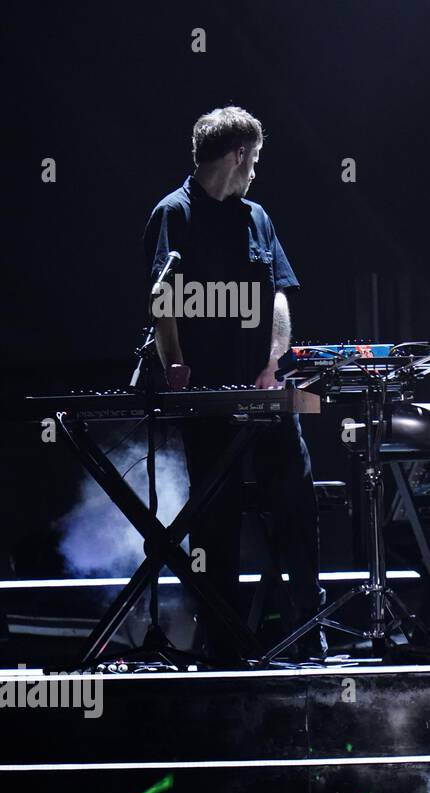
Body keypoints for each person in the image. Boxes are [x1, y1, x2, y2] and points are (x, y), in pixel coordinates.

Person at [141, 106, 325, 661]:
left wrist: (273, 360)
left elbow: (280, 296)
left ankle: (306, 627)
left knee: (294, 495)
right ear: (238, 155)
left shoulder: (257, 217)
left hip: (263, 393)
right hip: (207, 399)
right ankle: (222, 637)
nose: (255, 172)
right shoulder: (174, 214)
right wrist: (174, 362)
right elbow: (163, 297)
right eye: (254, 160)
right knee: (214, 516)